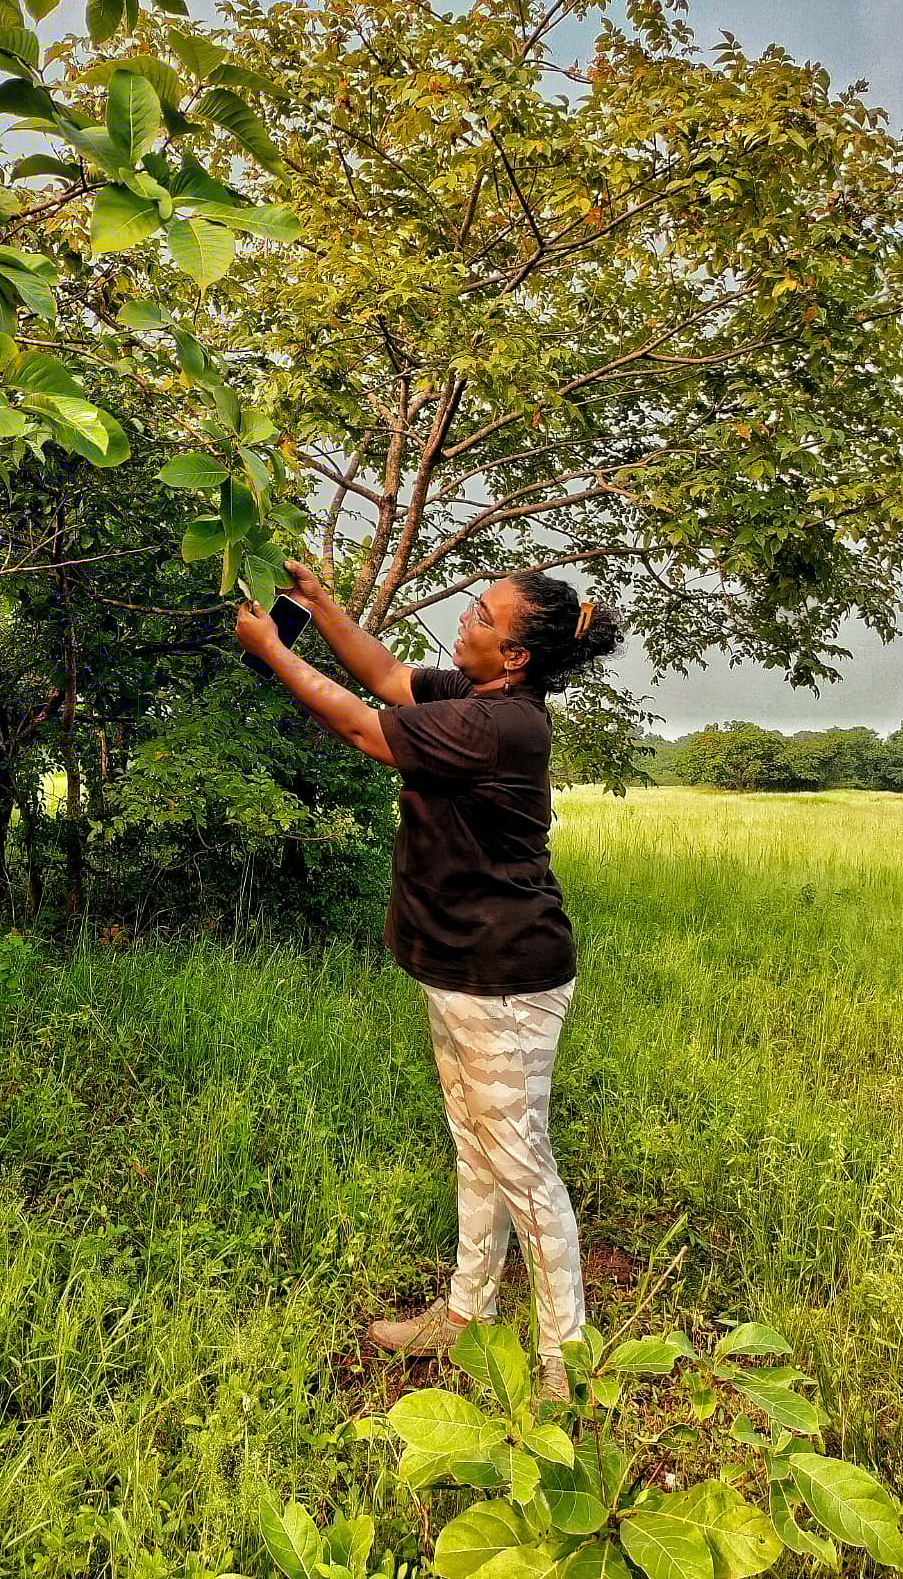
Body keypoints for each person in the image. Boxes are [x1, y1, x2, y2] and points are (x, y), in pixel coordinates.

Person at [234, 560, 622, 1392]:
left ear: (515, 657)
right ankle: (462, 1316)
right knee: (477, 1148)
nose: (466, 620)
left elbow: (363, 728)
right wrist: (324, 610)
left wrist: (273, 653)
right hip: (459, 967)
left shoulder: (504, 726)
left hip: (504, 976)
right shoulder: (473, 698)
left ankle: (566, 1360)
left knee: (521, 1163)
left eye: (483, 616)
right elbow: (380, 673)